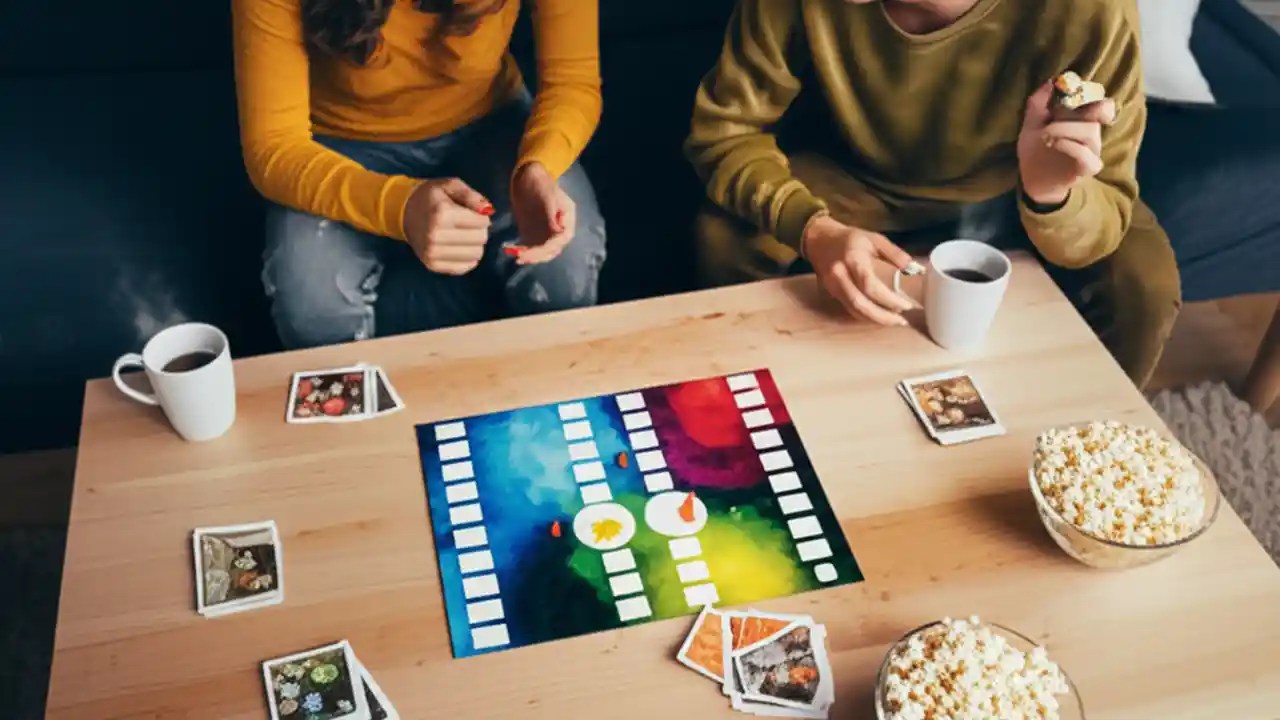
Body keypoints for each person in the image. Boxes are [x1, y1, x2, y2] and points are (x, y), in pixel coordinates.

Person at [686, 0, 1179, 388]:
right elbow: (723, 134)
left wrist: (1050, 191)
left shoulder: (1093, 11)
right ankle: (751, 409)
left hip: (1019, 188)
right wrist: (814, 229)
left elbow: (1105, 207)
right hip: (865, 179)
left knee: (1143, 282)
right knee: (726, 235)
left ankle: (1092, 450)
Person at [232, 0, 605, 348]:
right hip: (337, 143)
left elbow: (572, 82)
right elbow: (274, 146)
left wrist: (538, 167)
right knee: (313, 303)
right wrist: (400, 206)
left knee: (563, 264)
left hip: (489, 122)